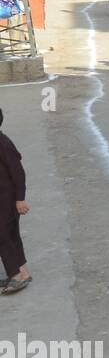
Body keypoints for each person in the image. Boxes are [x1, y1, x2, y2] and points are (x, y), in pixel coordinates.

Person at [0, 109, 32, 294]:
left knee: (4, 236)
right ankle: (22, 272)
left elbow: (18, 173)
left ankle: (17, 275)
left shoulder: (3, 143)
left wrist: (20, 198)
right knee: (10, 235)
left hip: (7, 199)